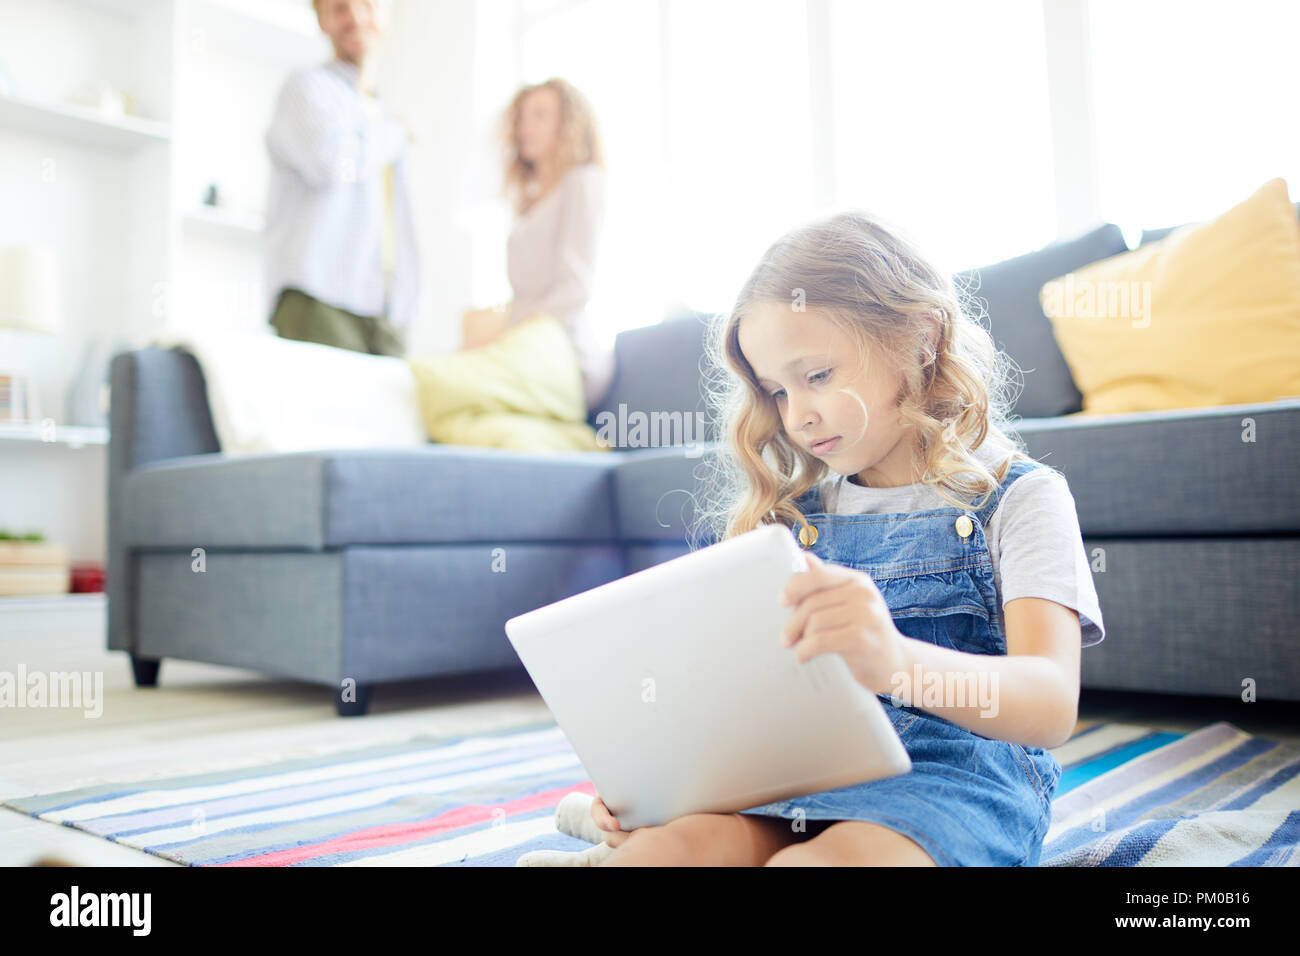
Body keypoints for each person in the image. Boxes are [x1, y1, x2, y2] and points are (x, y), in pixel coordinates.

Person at [587, 210, 1105, 866]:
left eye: (818, 376)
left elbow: (1052, 703)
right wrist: (657, 786)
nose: (796, 414)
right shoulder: (791, 515)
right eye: (776, 390)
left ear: (921, 338)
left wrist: (894, 660)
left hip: (954, 787)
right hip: (801, 779)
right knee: (665, 851)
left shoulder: (1020, 499)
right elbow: (737, 698)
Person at [263, 0, 417, 356]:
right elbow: (333, 162)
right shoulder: (306, 88)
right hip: (320, 300)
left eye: (366, 4)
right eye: (340, 8)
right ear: (322, 19)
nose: (355, 18)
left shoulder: (383, 108)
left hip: (386, 308)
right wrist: (396, 133)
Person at [462, 78, 615, 411]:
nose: (525, 127)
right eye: (521, 118)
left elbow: (574, 287)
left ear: (569, 125)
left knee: (458, 384)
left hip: (565, 351)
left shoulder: (583, 182)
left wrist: (509, 341)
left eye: (540, 115)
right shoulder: (529, 200)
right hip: (526, 344)